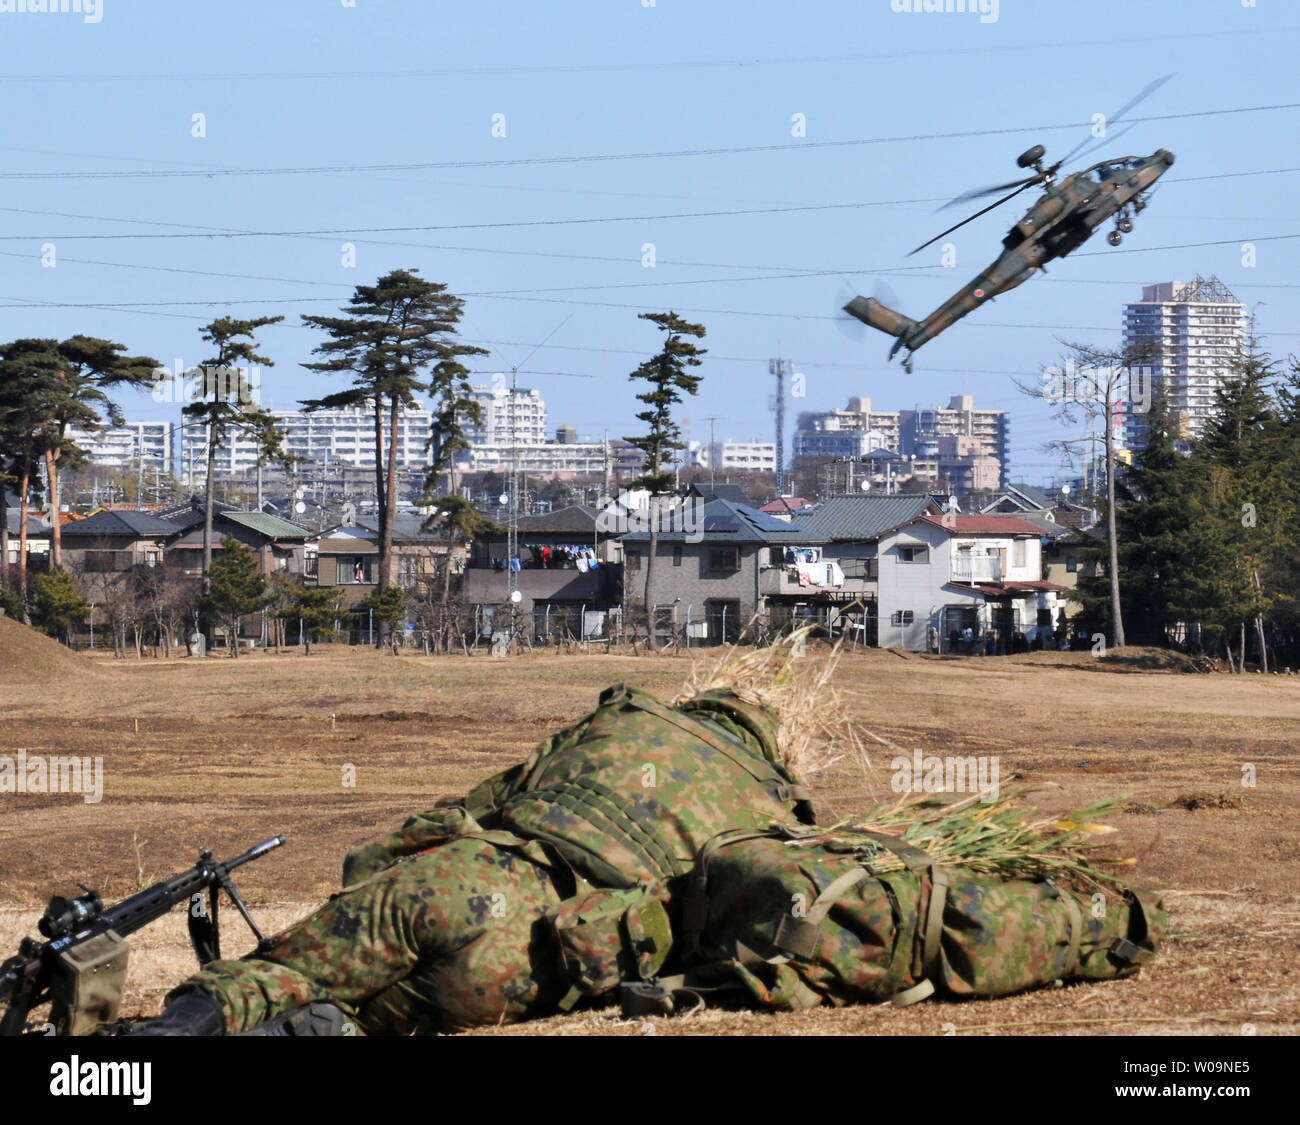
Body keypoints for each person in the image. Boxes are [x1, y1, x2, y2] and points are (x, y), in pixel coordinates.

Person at [132, 682, 814, 1036]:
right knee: (358, 1021)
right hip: (541, 946)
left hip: (464, 878)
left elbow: (487, 797)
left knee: (285, 970)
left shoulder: (625, 718)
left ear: (699, 705)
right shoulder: (771, 810)